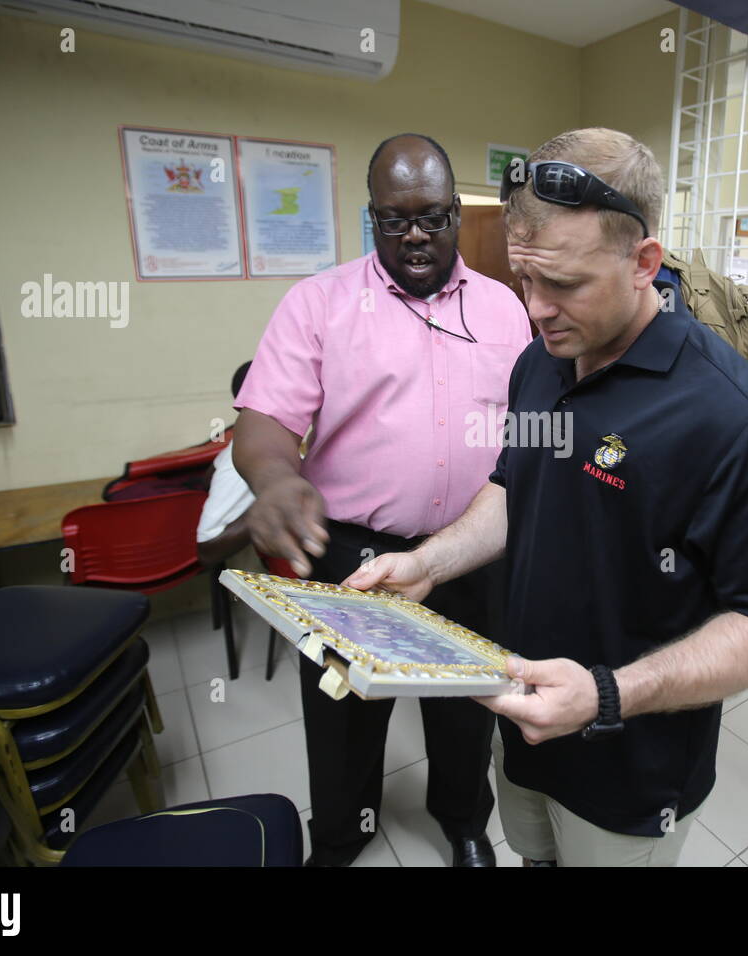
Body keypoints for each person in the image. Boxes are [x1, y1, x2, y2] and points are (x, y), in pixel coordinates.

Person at [348, 128, 748, 866]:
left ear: (644, 263)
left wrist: (606, 696)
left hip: (631, 771)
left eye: (564, 284)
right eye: (523, 280)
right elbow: (517, 487)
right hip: (525, 730)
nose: (536, 310)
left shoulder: (745, 427)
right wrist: (431, 563)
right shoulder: (542, 363)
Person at [232, 133, 532, 867]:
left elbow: (530, 432)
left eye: (431, 216)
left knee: (469, 708)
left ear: (457, 213)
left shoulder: (506, 310)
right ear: (371, 219)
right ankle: (341, 834)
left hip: (473, 550)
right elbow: (262, 424)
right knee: (343, 714)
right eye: (394, 220)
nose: (415, 235)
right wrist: (275, 477)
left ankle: (463, 822)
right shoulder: (319, 303)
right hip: (354, 557)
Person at [195, 361, 256, 568]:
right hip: (253, 591)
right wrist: (267, 509)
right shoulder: (250, 454)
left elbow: (207, 479)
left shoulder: (242, 443)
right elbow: (207, 548)